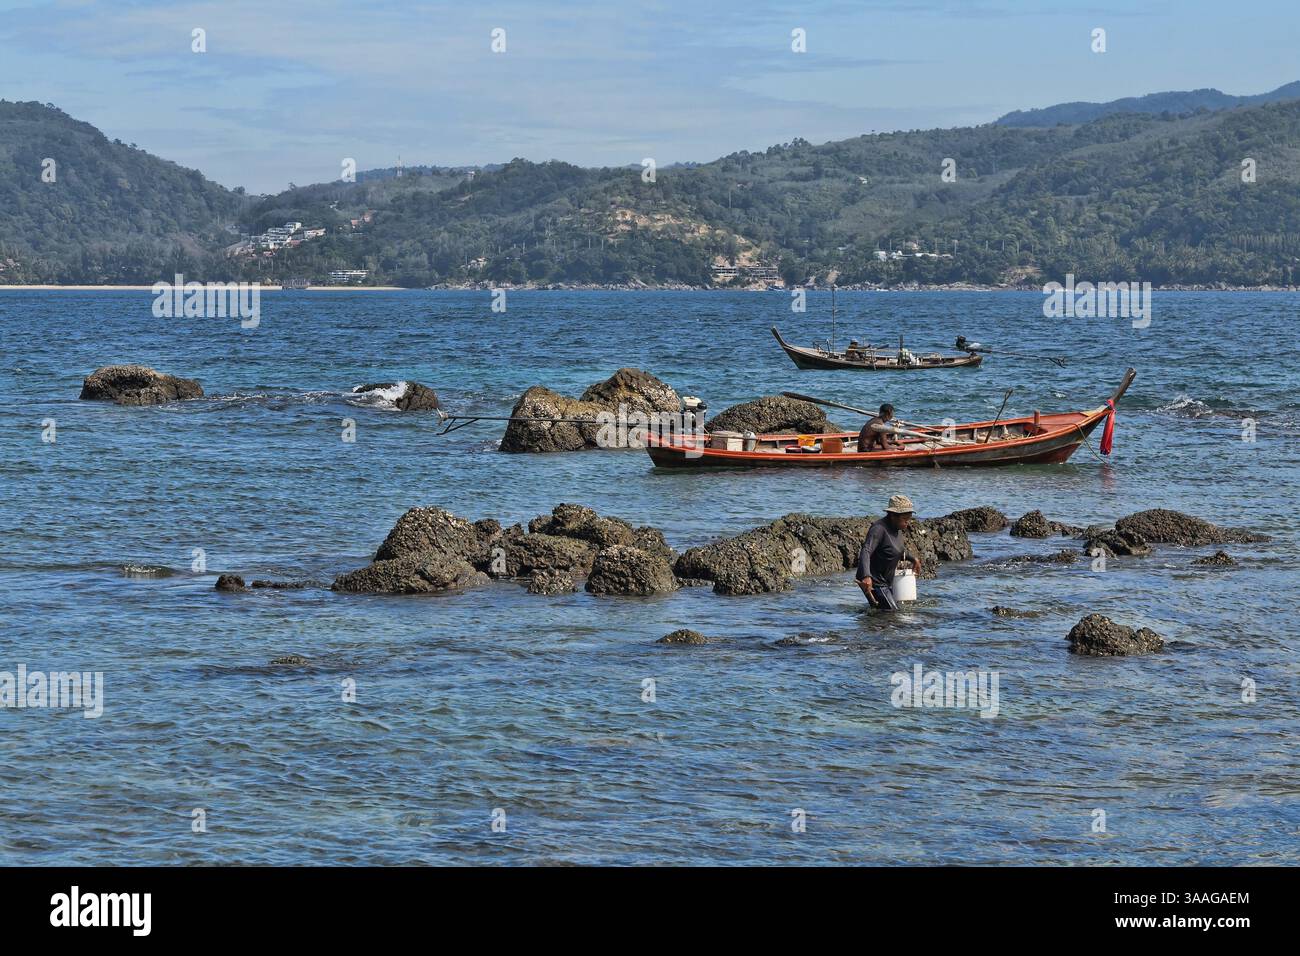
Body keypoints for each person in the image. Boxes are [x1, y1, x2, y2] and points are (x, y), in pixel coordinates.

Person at [855, 494, 923, 611]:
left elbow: (892, 551)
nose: (908, 523)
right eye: (905, 519)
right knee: (892, 613)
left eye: (909, 519)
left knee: (882, 613)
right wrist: (866, 576)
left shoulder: (897, 529)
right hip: (875, 581)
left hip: (886, 581)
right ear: (893, 516)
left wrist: (913, 559)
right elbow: (866, 550)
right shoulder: (879, 529)